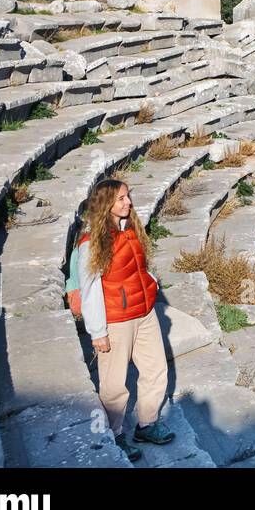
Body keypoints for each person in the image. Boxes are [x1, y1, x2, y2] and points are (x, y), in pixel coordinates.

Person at [76, 178, 175, 461]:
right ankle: (115, 434)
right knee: (114, 383)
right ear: (106, 203)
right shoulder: (91, 242)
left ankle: (147, 424)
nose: (128, 203)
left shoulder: (131, 229)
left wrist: (151, 282)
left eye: (127, 197)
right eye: (121, 199)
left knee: (156, 369)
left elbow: (139, 267)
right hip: (116, 320)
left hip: (144, 313)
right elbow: (90, 289)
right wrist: (97, 332)